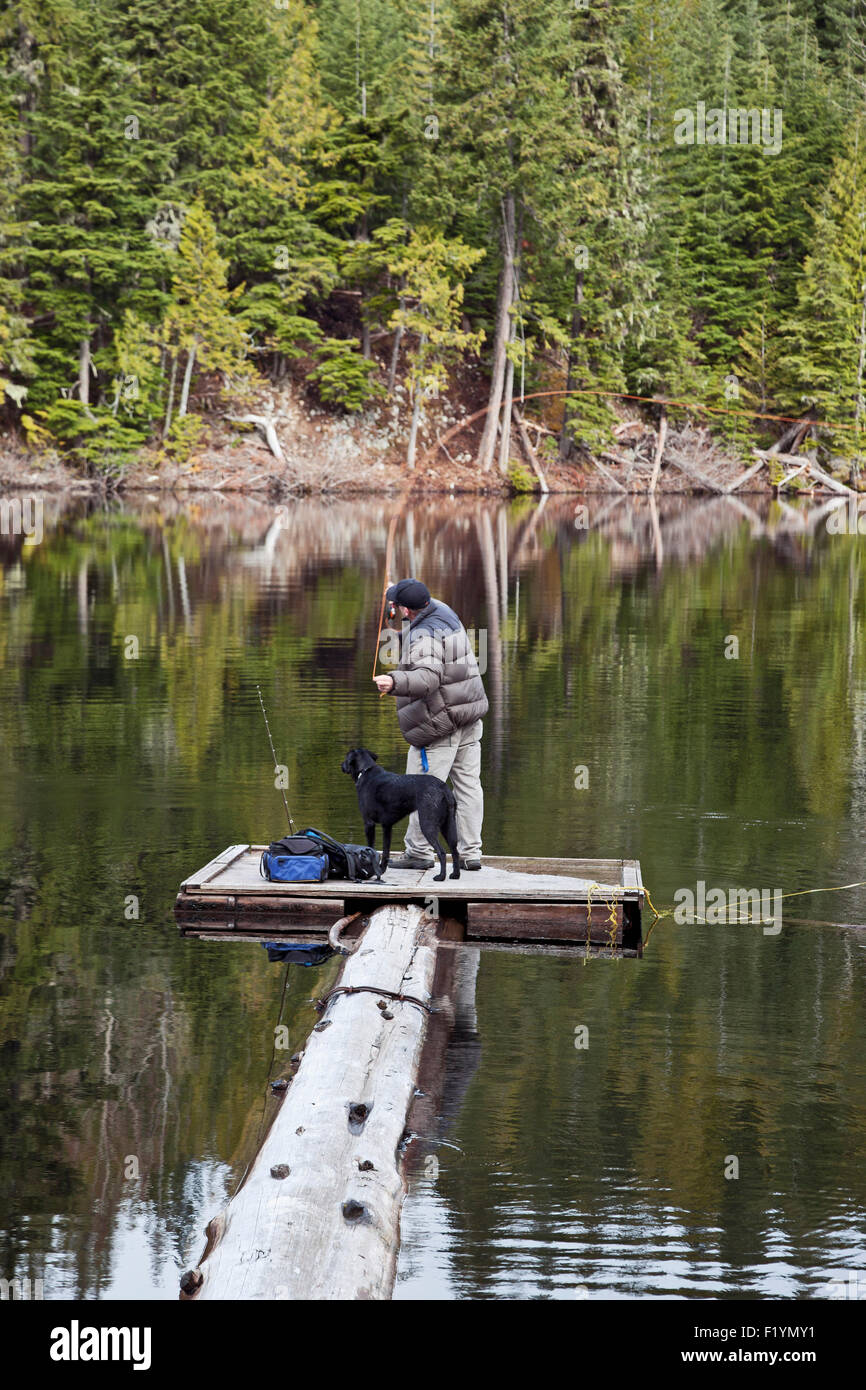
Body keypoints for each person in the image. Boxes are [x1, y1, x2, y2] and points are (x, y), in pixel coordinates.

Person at [373, 577, 488, 870]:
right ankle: (470, 853)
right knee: (468, 786)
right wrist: (392, 593)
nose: (394, 609)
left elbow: (427, 678)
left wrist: (394, 681)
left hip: (441, 726)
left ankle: (419, 854)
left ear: (407, 610)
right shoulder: (442, 610)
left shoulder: (423, 638)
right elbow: (423, 642)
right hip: (468, 717)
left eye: (396, 605)